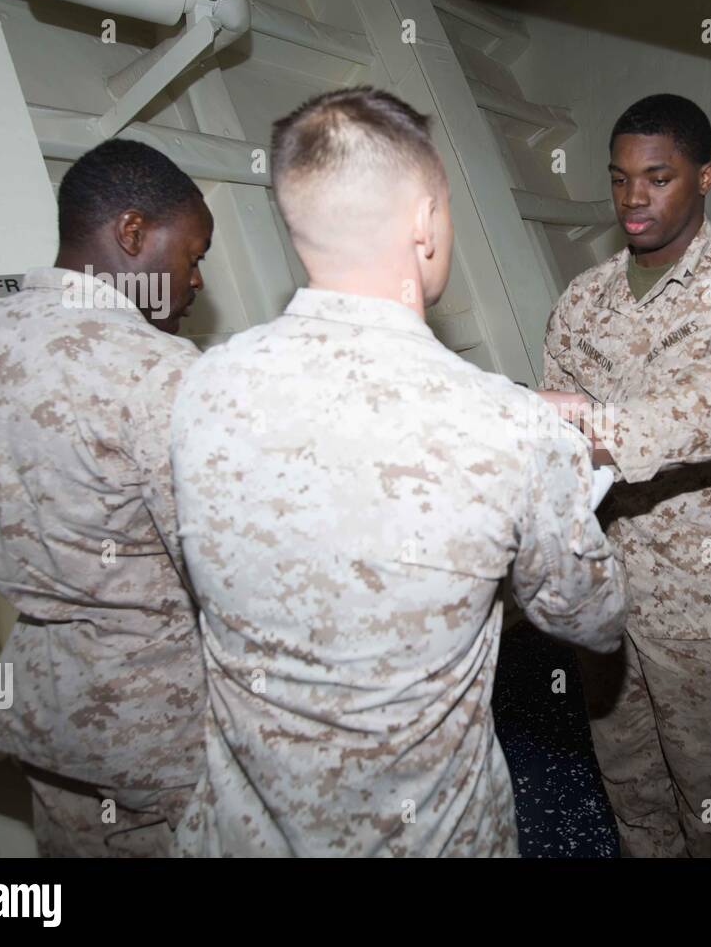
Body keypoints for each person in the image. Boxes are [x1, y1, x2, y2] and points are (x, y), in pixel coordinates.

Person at [169, 87, 627, 857]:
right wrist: (574, 479)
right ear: (424, 222)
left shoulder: (199, 388)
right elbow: (594, 619)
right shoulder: (505, 430)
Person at [0, 139, 212, 855]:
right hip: (171, 723)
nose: (195, 281)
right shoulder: (162, 371)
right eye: (193, 255)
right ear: (133, 233)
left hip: (49, 712)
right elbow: (229, 570)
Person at [539, 93, 711, 857]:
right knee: (627, 778)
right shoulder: (583, 299)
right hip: (606, 586)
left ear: (705, 178)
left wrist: (597, 427)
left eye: (658, 177)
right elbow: (557, 452)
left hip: (710, 597)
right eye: (620, 177)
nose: (633, 198)